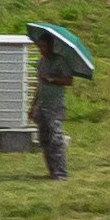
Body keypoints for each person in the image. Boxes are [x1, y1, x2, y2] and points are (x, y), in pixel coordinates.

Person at [33, 45, 78, 178]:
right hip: (42, 103)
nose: (41, 49)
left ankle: (60, 172)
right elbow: (39, 86)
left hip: (54, 104)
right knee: (44, 138)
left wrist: (50, 78)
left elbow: (69, 81)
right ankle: (51, 170)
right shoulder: (41, 62)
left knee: (55, 137)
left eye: (43, 46)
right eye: (39, 46)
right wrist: (33, 106)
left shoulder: (60, 61)